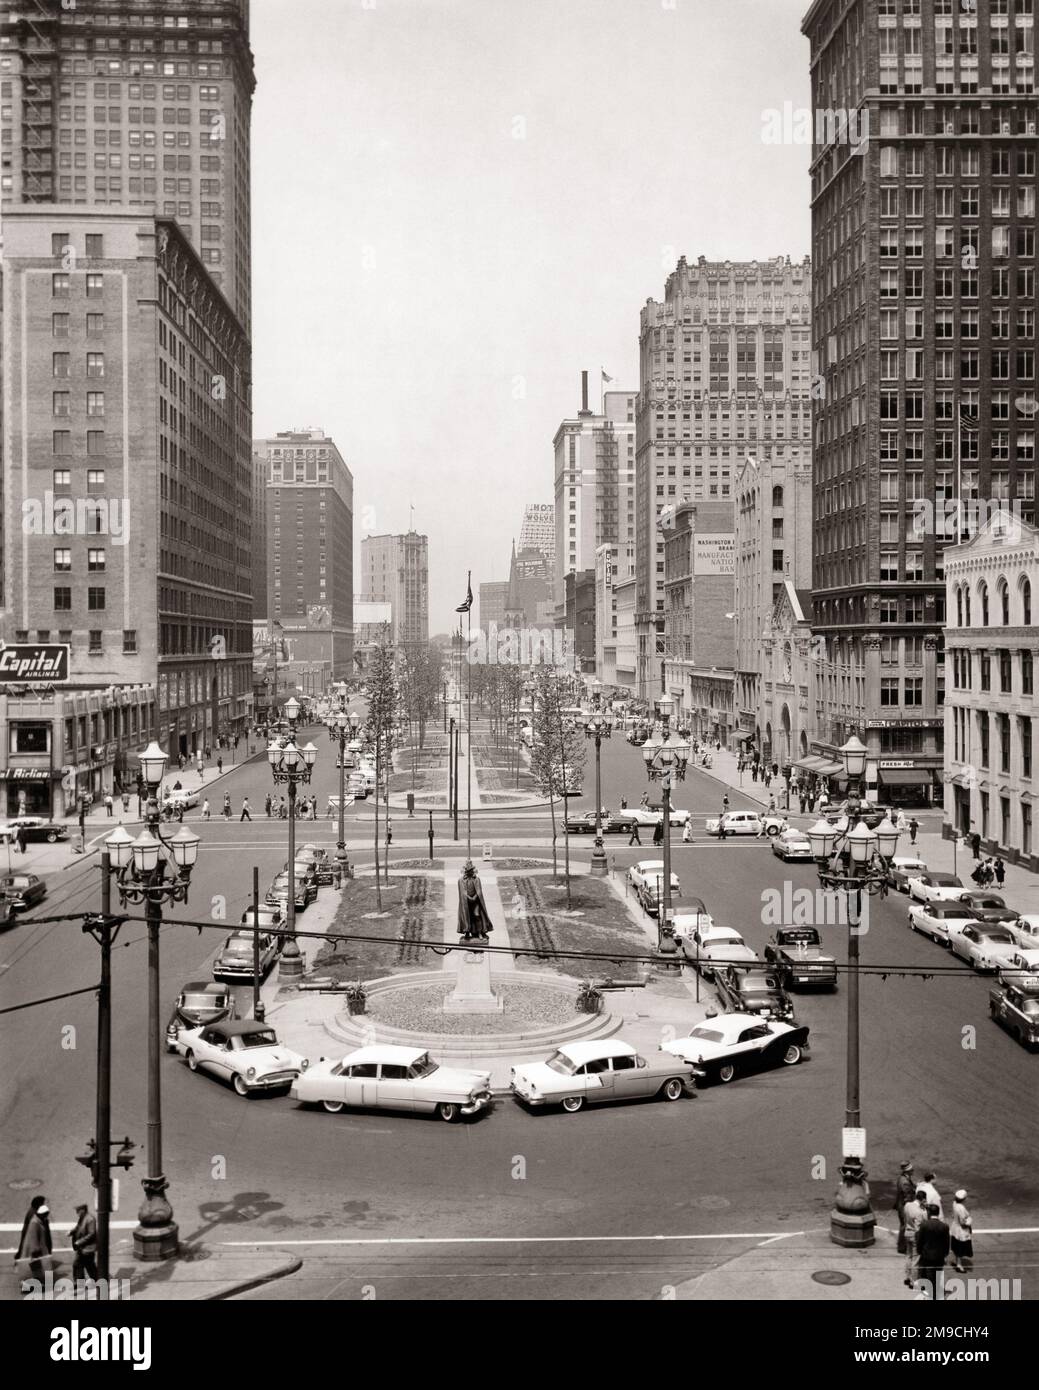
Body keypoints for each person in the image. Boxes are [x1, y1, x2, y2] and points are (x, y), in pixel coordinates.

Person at [14, 1195, 52, 1291]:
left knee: (35, 1270)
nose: (47, 1216)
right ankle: (32, 1285)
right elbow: (34, 1238)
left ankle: (34, 1285)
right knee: (34, 1269)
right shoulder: (35, 1222)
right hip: (35, 1251)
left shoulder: (38, 1219)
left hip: (36, 1250)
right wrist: (36, 1251)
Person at [915, 1204, 950, 1299]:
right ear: (938, 1213)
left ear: (929, 1212)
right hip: (939, 1256)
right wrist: (945, 1255)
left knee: (929, 1274)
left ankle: (932, 1294)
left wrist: (919, 1252)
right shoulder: (944, 1226)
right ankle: (936, 1293)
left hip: (927, 1255)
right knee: (938, 1274)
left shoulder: (924, 1225)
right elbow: (946, 1243)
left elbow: (920, 1241)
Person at [457, 860, 493, 941]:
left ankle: (480, 932)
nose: (470, 872)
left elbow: (479, 890)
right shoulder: (461, 880)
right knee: (467, 916)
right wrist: (469, 897)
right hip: (466, 902)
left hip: (475, 901)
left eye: (471, 871)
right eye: (468, 871)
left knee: (477, 915)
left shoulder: (476, 879)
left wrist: (475, 897)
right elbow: (462, 892)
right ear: (465, 871)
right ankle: (467, 932)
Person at [902, 1188, 927, 1288]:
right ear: (923, 1200)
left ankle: (907, 1277)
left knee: (908, 1256)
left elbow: (904, 1217)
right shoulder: (919, 1212)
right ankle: (914, 1281)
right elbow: (919, 1228)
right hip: (914, 1235)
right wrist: (924, 1210)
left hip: (907, 1232)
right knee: (916, 1259)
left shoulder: (907, 1205)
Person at [70, 1202, 97, 1284]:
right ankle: (80, 1282)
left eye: (78, 1210)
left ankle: (97, 1280)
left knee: (87, 1265)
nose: (76, 1212)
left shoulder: (90, 1219)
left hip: (88, 1248)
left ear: (83, 1210)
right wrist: (71, 1232)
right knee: (79, 1264)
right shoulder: (82, 1217)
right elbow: (78, 1227)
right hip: (82, 1247)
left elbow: (91, 1234)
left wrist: (80, 1242)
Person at [894, 1161, 917, 1255]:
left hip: (901, 1205)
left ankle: (902, 1246)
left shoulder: (903, 1178)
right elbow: (907, 1196)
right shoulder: (905, 1182)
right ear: (908, 1171)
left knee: (903, 1225)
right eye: (911, 1170)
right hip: (903, 1206)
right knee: (904, 1225)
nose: (913, 1171)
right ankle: (902, 1247)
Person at [949, 1189, 973, 1273]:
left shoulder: (954, 1204)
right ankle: (959, 1265)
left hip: (955, 1227)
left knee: (956, 1246)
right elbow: (963, 1222)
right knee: (960, 1248)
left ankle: (957, 1263)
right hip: (961, 1230)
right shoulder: (961, 1208)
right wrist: (969, 1222)